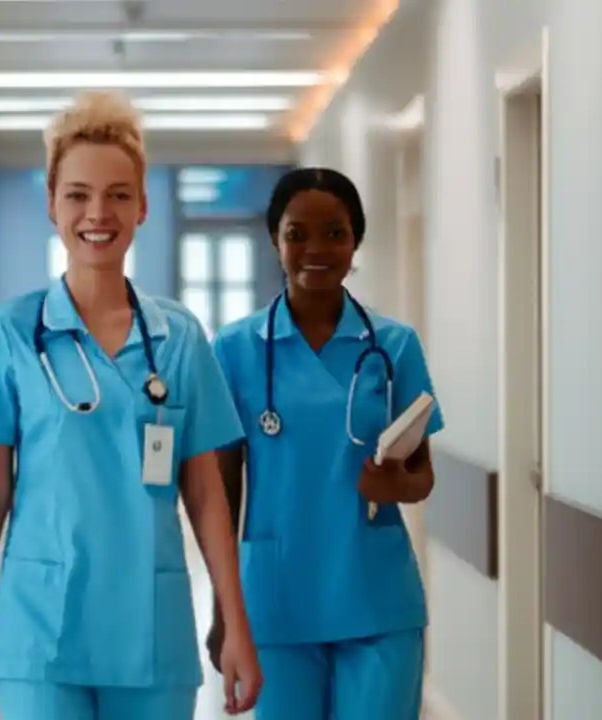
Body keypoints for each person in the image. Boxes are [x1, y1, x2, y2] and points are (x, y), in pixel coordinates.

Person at [0, 91, 262, 720]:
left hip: (150, 628)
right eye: (78, 194)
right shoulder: (12, 333)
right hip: (39, 630)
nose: (98, 212)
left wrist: (236, 624)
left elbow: (205, 492)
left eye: (119, 194)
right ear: (52, 205)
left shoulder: (180, 337)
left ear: (142, 206)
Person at [205, 167, 443, 720]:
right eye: (297, 234)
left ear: (356, 240)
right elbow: (222, 495)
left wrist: (396, 483)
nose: (316, 248)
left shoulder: (394, 345)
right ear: (275, 240)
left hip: (376, 599)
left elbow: (422, 475)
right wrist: (225, 613)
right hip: (276, 599)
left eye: (335, 232)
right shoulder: (236, 349)